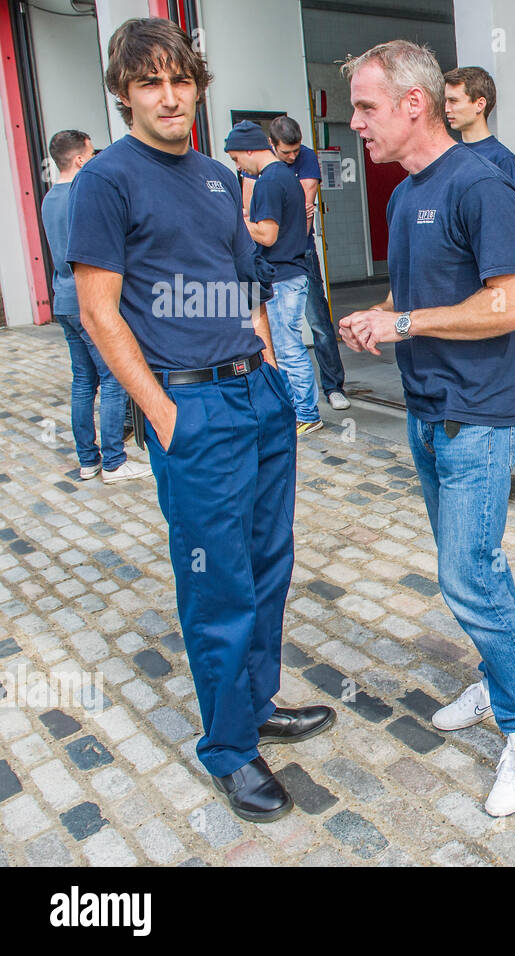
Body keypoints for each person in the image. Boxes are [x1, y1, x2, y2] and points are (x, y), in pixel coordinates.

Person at [66, 17, 335, 823]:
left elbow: (243, 281)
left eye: (181, 79)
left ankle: (254, 709)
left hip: (256, 397)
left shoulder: (220, 177)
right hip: (192, 405)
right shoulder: (106, 181)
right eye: (151, 82)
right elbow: (96, 310)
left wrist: (274, 372)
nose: (171, 95)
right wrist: (161, 413)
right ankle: (227, 750)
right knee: (218, 585)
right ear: (124, 93)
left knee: (268, 568)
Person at [338, 40, 515, 818]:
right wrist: (385, 326)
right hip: (426, 413)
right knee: (465, 566)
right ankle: (501, 684)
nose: (354, 123)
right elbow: (426, 306)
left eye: (366, 107)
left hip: (477, 417)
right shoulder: (402, 195)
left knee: (469, 574)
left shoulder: (481, 182)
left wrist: (400, 319)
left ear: (413, 104)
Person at [41, 129, 149, 484]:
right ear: (79, 159)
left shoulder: (48, 198)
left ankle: (89, 459)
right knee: (114, 377)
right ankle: (115, 461)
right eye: (91, 153)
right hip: (89, 301)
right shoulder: (83, 194)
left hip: (63, 300)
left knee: (82, 383)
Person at [226, 120, 322, 436]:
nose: (239, 167)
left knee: (286, 348)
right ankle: (300, 411)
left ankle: (306, 413)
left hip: (283, 274)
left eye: (237, 158)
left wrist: (234, 223)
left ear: (250, 149)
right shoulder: (284, 176)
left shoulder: (269, 180)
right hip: (292, 271)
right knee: (287, 345)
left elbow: (267, 235)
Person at [262, 114, 351, 411]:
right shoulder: (263, 168)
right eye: (285, 152)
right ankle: (285, 396)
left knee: (318, 321)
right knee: (277, 329)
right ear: (272, 145)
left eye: (295, 151)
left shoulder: (308, 158)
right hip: (272, 258)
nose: (291, 156)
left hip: (302, 252)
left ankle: (333, 386)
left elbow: (306, 205)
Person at [443, 65, 515, 192]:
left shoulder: (502, 159)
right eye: (446, 101)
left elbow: (507, 210)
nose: (446, 109)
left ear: (480, 105)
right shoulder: (448, 156)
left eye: (453, 101)